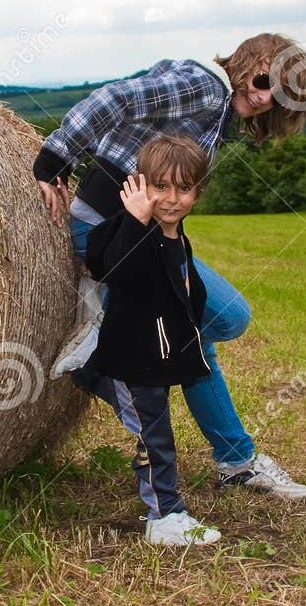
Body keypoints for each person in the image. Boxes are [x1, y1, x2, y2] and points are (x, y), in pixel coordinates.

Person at [33, 33, 306, 501]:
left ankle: (235, 460)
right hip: (107, 232)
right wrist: (54, 159)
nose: (264, 97)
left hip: (136, 235)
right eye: (264, 79)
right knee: (222, 316)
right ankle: (105, 355)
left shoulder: (219, 116)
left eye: (279, 94)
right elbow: (114, 98)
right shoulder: (205, 88)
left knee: (201, 324)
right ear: (245, 64)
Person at [70, 135, 225, 545]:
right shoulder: (132, 230)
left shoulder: (178, 236)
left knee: (153, 428)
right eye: (161, 188)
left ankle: (88, 371)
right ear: (140, 186)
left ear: (197, 190)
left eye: (185, 188)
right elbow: (115, 269)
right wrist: (135, 219)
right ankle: (164, 516)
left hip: (153, 361)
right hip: (131, 358)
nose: (172, 199)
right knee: (154, 438)